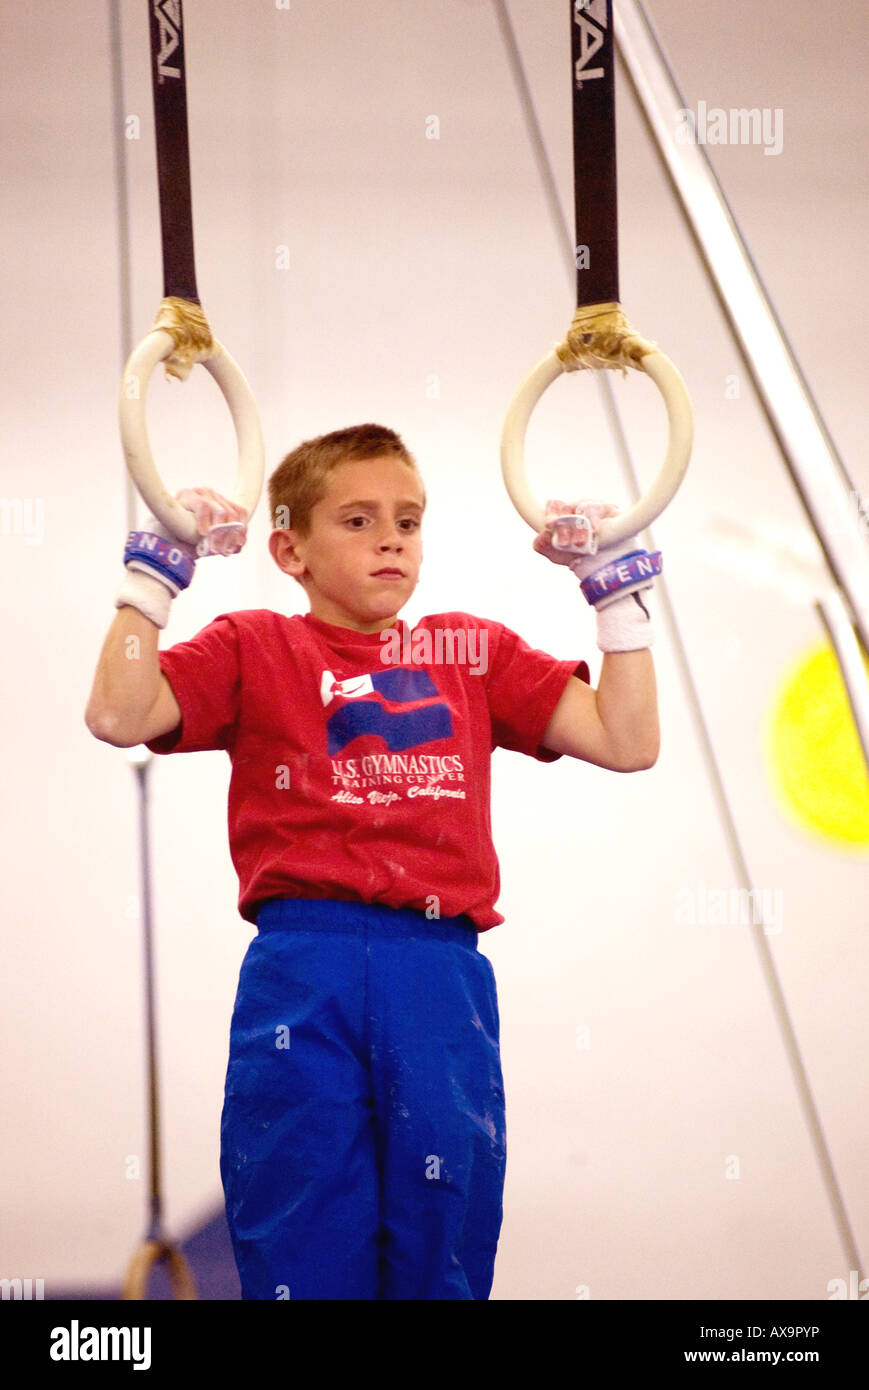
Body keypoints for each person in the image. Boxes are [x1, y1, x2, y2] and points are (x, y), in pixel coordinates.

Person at [84, 422, 659, 1300]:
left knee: (443, 1236)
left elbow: (627, 740)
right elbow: (119, 715)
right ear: (290, 550)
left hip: (434, 973)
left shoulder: (470, 651)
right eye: (355, 521)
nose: (390, 537)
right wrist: (153, 575)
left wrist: (616, 596)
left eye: (408, 519)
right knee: (301, 1228)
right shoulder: (254, 646)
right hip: (303, 966)